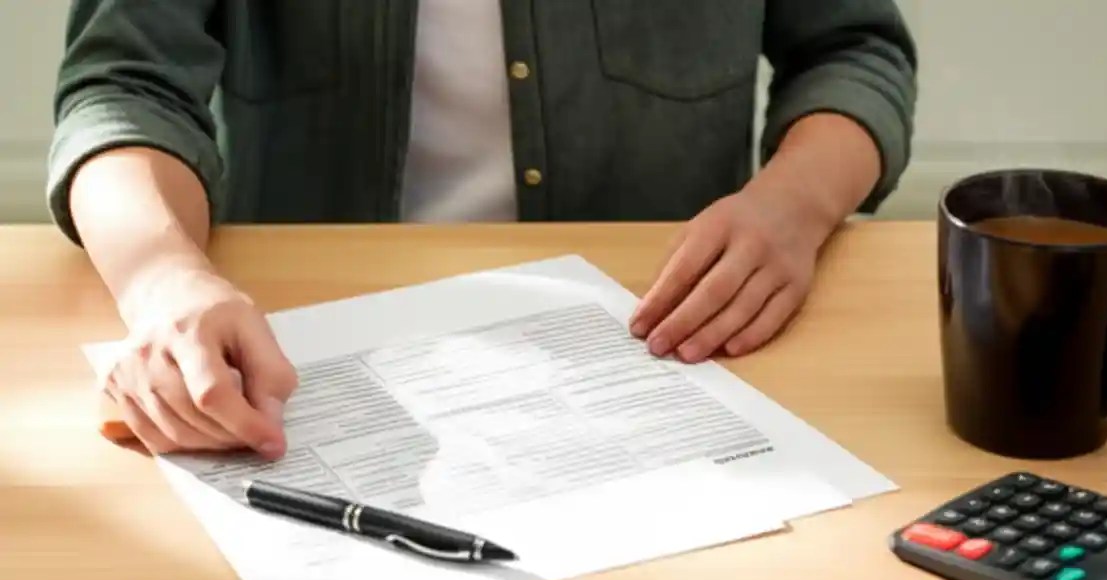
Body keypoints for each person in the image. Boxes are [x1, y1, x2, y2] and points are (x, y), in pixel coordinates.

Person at [49, 1, 917, 458]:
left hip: (673, 341)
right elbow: (124, 83)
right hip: (301, 364)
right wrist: (164, 278)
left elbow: (852, 49)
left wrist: (794, 204)